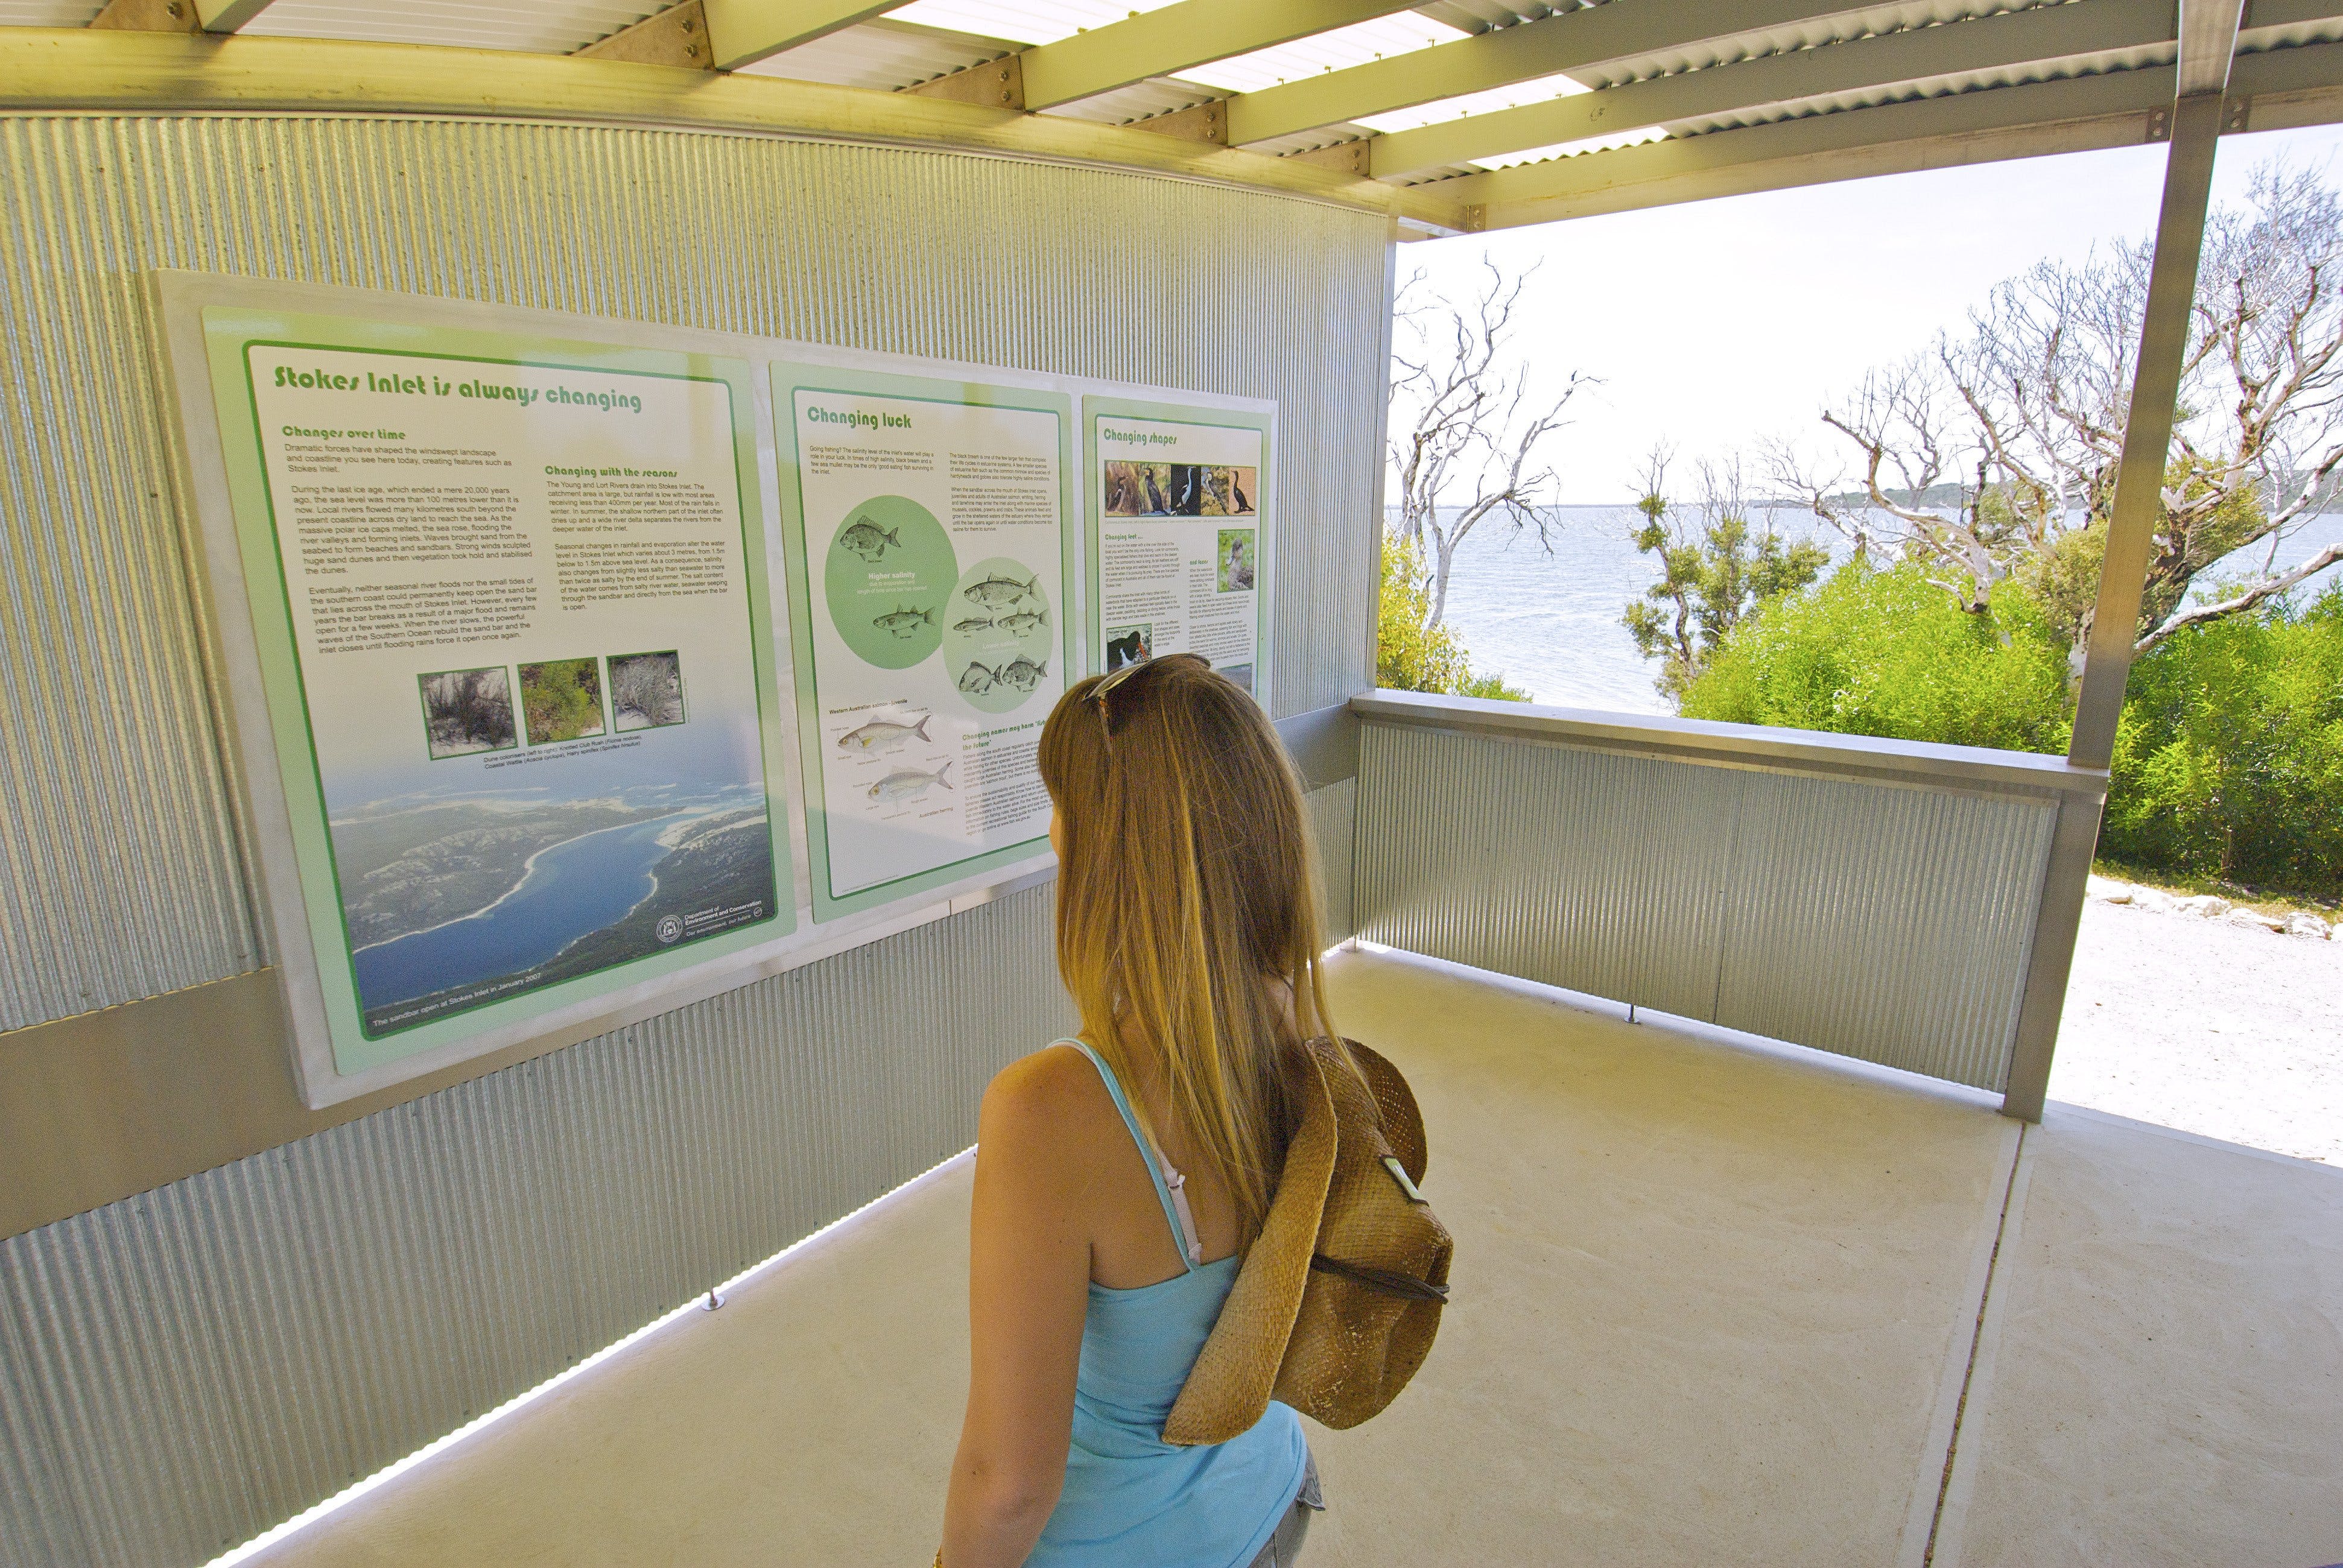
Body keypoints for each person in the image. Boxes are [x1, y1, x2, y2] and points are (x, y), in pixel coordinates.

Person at [939, 654, 1333, 1568]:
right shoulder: (1295, 1025)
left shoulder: (1047, 1111)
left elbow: (1008, 1485)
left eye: (1061, 805)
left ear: (1103, 850)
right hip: (1273, 1499)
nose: (1052, 830)